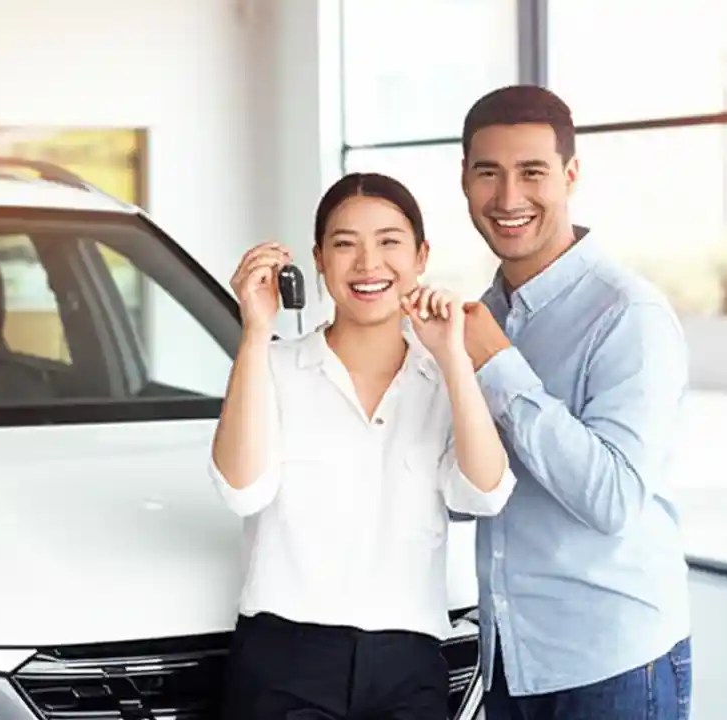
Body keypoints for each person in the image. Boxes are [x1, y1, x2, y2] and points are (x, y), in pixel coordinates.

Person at [210, 172, 516, 720]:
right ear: (318, 261)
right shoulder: (272, 366)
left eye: (389, 242)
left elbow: (486, 493)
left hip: (410, 665)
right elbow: (241, 488)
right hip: (286, 662)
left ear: (422, 256)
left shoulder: (444, 377)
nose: (368, 263)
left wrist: (452, 359)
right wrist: (254, 332)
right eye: (345, 244)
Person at [456, 85, 693, 718]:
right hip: (513, 657)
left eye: (532, 172)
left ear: (570, 175)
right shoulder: (489, 313)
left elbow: (613, 498)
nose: (509, 199)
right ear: (464, 181)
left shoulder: (627, 314)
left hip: (613, 662)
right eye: (489, 173)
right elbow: (476, 491)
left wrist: (499, 366)